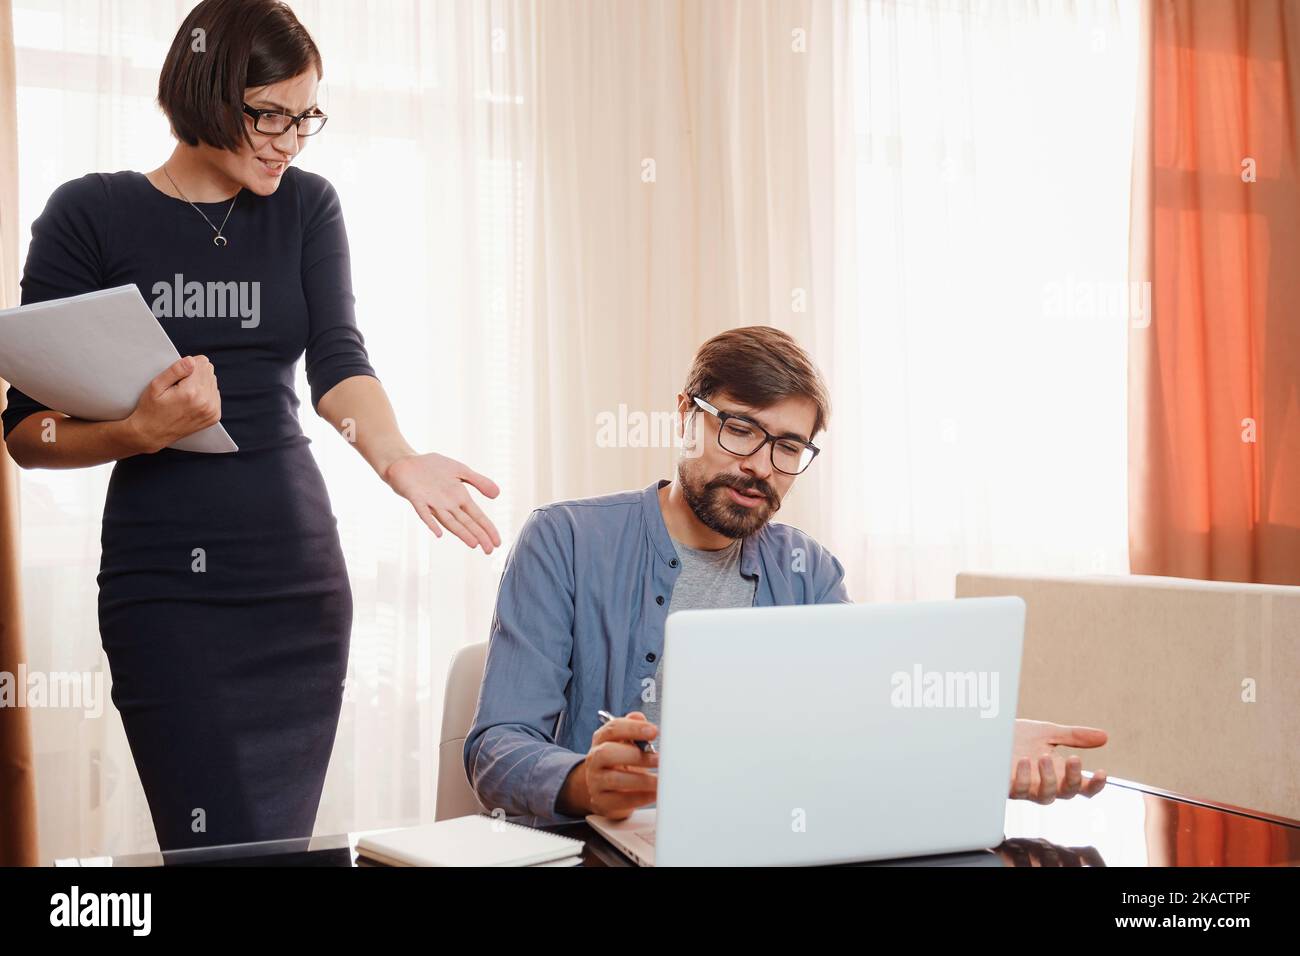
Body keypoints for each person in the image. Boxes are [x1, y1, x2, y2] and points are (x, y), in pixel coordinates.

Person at [2, 0, 499, 850]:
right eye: (268, 114)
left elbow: (339, 361)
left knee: (273, 847)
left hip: (296, 582)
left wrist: (399, 459)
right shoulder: (90, 214)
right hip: (165, 587)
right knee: (212, 843)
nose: (288, 141)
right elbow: (25, 432)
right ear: (201, 91)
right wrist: (135, 431)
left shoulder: (308, 207)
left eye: (306, 117)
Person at [465, 326, 1108, 826]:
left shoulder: (811, 572)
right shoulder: (565, 540)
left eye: (790, 447)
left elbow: (869, 721)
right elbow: (498, 744)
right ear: (687, 415)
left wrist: (984, 741)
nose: (761, 467)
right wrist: (583, 781)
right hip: (611, 847)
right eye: (741, 428)